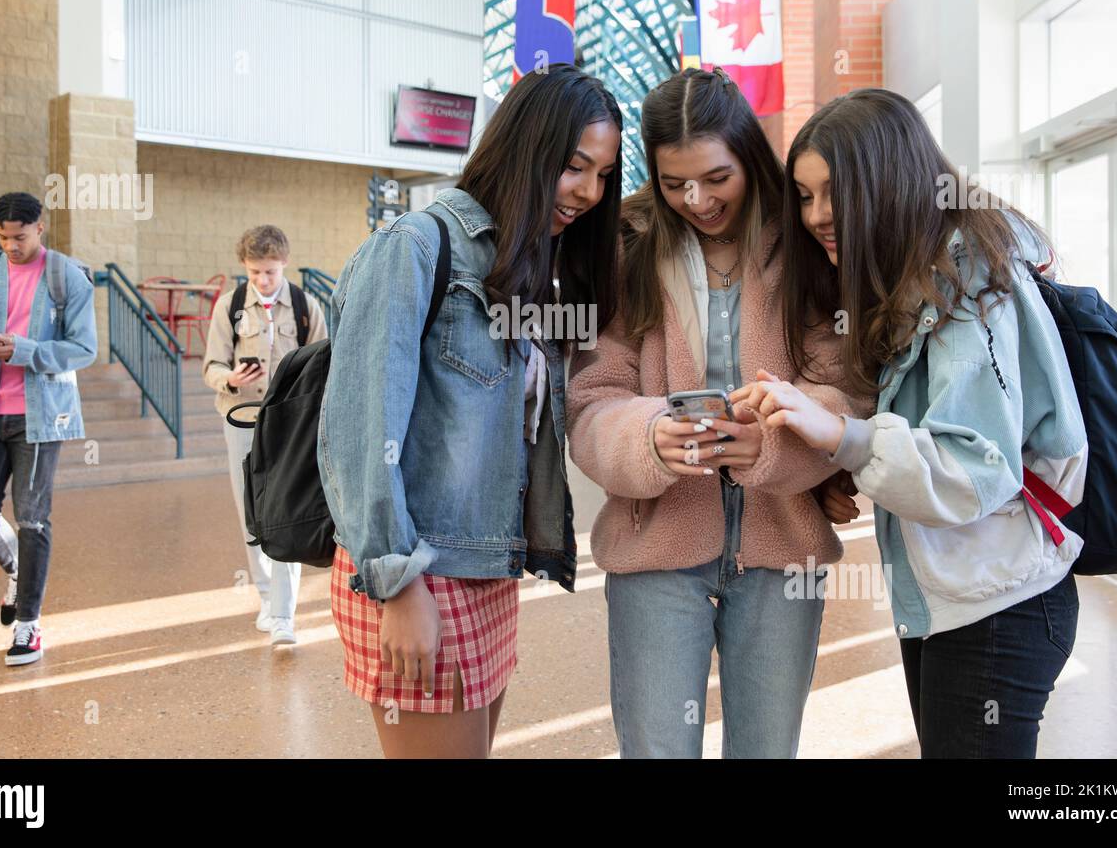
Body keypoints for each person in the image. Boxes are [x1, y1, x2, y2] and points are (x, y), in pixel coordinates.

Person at [746, 88, 1087, 758]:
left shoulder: (972, 281)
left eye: (833, 192)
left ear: (888, 178)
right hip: (960, 597)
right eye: (805, 195)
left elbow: (974, 469)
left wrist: (845, 439)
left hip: (1001, 606)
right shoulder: (921, 276)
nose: (817, 215)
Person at [320, 64, 622, 758]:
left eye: (603, 174)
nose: (587, 191)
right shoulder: (417, 247)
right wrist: (397, 583)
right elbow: (361, 431)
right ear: (524, 148)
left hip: (484, 567)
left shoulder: (525, 268)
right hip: (412, 568)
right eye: (574, 166)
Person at [567, 68, 869, 758]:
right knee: (656, 749)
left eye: (716, 178)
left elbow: (845, 387)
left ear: (748, 152)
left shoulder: (805, 243)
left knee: (766, 749)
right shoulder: (625, 244)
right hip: (656, 547)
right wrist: (648, 438)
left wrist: (770, 445)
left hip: (782, 545)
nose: (697, 200)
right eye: (675, 184)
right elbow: (590, 397)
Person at [0, 192, 98, 665]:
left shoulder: (67, 276)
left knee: (32, 519)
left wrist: (23, 350)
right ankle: (16, 567)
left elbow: (83, 348)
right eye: (4, 237)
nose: (11, 246)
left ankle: (29, 626)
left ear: (41, 227)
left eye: (21, 236)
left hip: (41, 416)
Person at [203, 225, 327, 647]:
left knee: (285, 507)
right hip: (241, 417)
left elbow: (325, 361)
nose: (262, 280)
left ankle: (282, 615)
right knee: (250, 512)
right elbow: (211, 366)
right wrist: (231, 378)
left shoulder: (305, 306)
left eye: (270, 272)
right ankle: (265, 596)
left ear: (284, 264)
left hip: (289, 425)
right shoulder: (230, 306)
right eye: (254, 272)